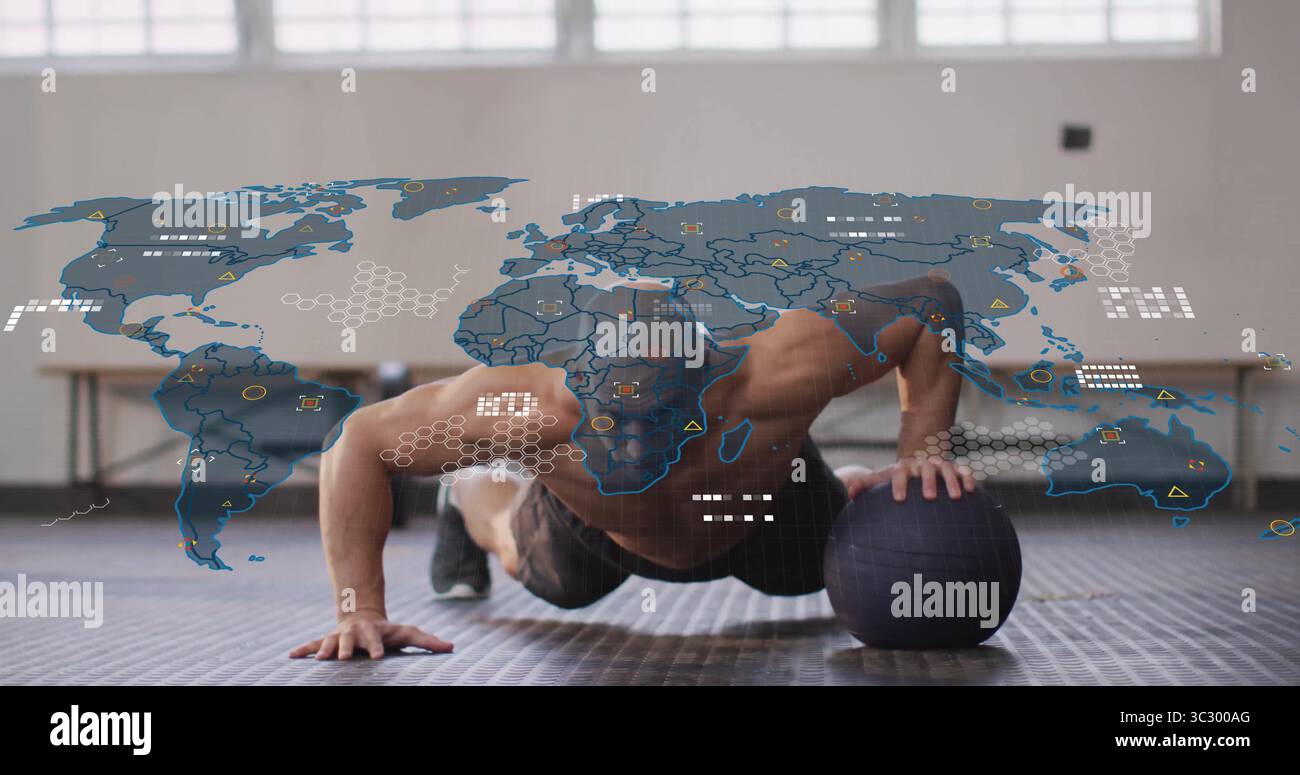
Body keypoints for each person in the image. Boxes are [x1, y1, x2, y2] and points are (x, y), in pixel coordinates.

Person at [290, 275, 975, 660]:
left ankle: (852, 482)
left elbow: (928, 306)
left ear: (708, 380)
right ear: (576, 389)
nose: (642, 455)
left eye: (662, 423)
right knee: (521, 550)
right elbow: (357, 441)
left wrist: (924, 450)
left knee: (812, 574)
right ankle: (466, 499)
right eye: (617, 426)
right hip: (595, 534)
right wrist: (360, 608)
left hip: (769, 515)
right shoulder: (520, 405)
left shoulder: (775, 370)